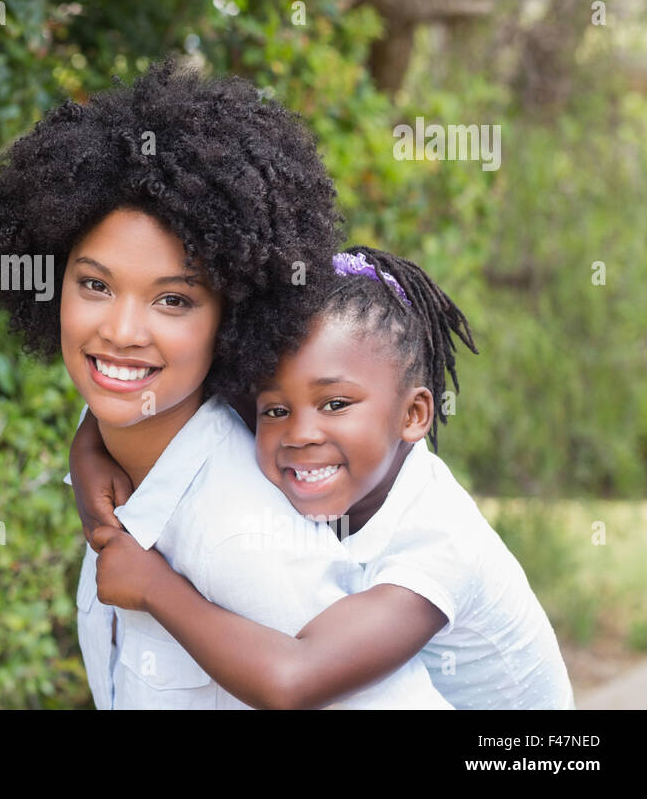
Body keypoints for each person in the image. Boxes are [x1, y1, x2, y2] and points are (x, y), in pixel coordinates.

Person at [0, 61, 448, 708]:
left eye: (172, 301)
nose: (120, 330)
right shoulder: (128, 463)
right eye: (95, 284)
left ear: (234, 317)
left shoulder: (237, 528)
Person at [88, 246, 575, 709]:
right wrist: (88, 449)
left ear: (414, 414)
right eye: (275, 409)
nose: (299, 434)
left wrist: (154, 588)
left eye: (336, 404)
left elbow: (294, 680)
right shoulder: (365, 464)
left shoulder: (440, 544)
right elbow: (169, 391)